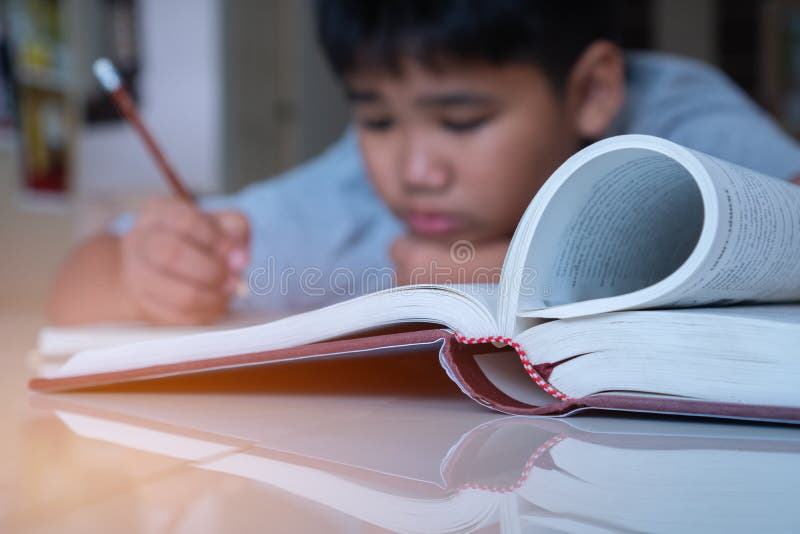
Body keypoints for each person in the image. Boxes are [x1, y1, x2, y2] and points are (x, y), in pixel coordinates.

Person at [48, 0, 800, 326]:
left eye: (462, 120)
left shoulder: (670, 110)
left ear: (592, 91)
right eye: (375, 116)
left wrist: (520, 275)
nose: (414, 170)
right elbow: (78, 284)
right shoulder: (352, 187)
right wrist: (149, 271)